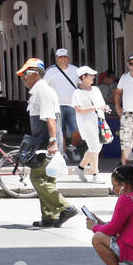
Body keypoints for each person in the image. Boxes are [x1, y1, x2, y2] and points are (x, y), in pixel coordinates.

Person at [16, 58, 78, 230]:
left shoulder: (42, 90)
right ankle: (50, 216)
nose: (23, 79)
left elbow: (49, 117)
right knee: (47, 178)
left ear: (35, 74)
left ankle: (65, 207)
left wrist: (52, 141)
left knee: (37, 177)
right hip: (44, 141)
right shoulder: (40, 90)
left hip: (44, 142)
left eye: (24, 75)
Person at [43, 48, 82, 164]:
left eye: (64, 57)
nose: (63, 59)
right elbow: (45, 87)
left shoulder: (75, 70)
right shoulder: (50, 71)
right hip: (56, 105)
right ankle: (63, 153)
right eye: (60, 57)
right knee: (60, 131)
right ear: (56, 58)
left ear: (68, 58)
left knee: (77, 130)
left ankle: (73, 147)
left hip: (73, 105)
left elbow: (82, 86)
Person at [71, 66, 108, 181]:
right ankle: (95, 174)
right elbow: (79, 109)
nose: (93, 77)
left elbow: (101, 104)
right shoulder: (77, 92)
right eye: (90, 75)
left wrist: (104, 108)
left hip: (99, 120)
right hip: (86, 123)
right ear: (83, 77)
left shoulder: (96, 89)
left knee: (96, 147)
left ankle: (80, 168)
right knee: (94, 147)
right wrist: (95, 108)